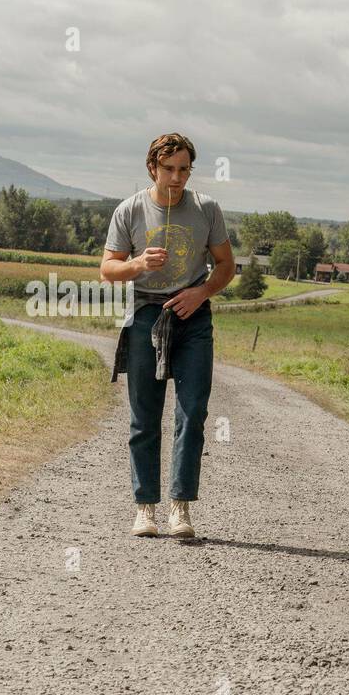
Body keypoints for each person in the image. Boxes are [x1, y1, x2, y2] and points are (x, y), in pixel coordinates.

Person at [101, 132, 235, 539]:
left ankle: (180, 507)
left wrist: (202, 292)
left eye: (184, 170)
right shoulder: (130, 210)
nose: (177, 178)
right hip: (145, 313)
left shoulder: (207, 209)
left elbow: (226, 265)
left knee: (192, 413)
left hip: (193, 316)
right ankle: (145, 508)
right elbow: (107, 269)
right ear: (152, 168)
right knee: (144, 418)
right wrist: (138, 263)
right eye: (169, 169)